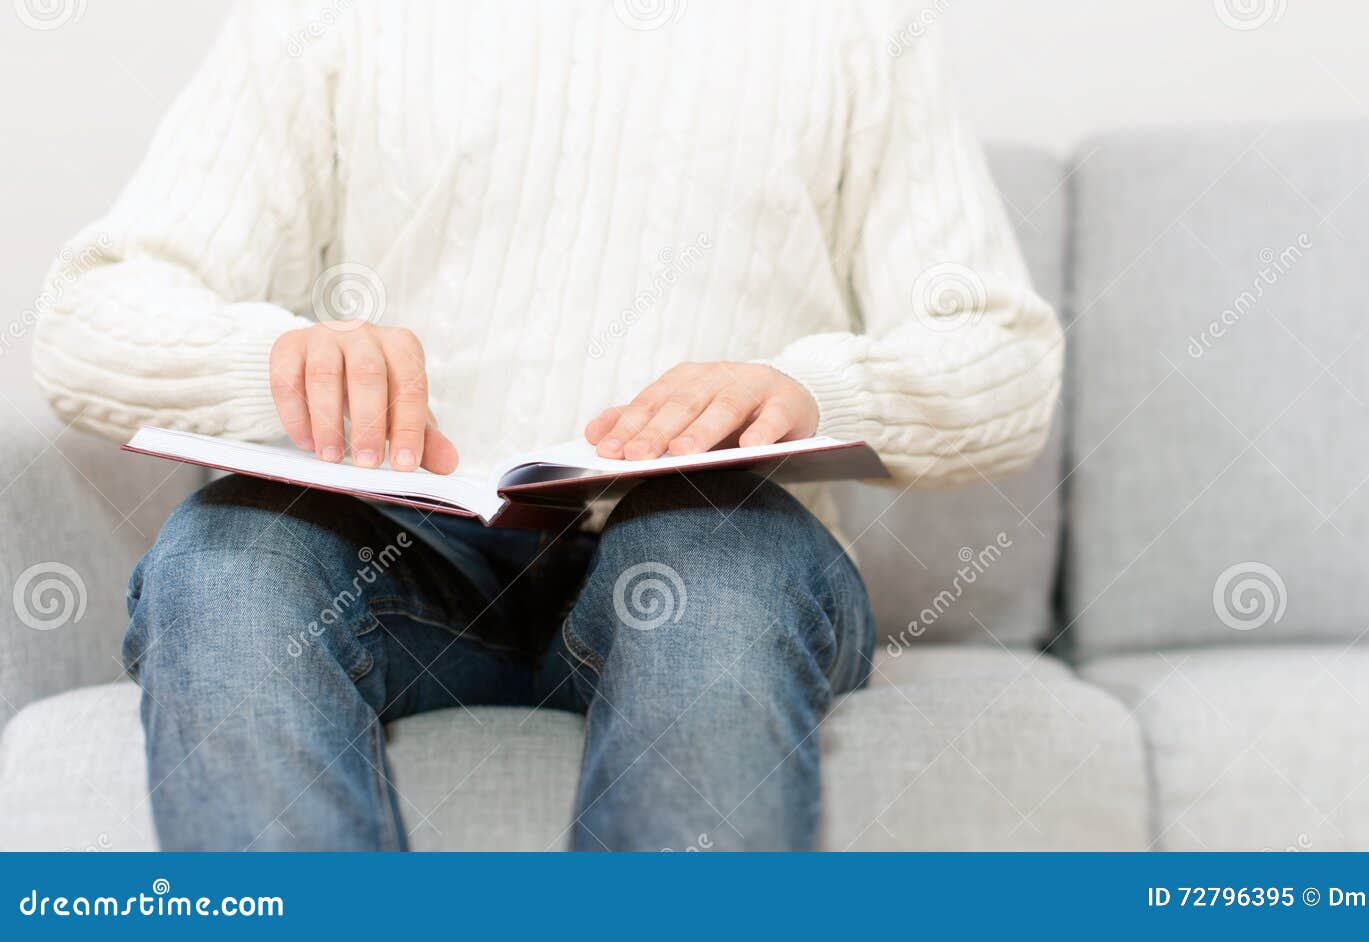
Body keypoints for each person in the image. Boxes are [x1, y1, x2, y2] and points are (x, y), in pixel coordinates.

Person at [32, 0, 1061, 851]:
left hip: (705, 541)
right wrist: (273, 363)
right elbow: (88, 318)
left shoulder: (856, 27)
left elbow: (1006, 360)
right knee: (224, 560)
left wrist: (812, 392)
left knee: (712, 564)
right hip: (399, 553)